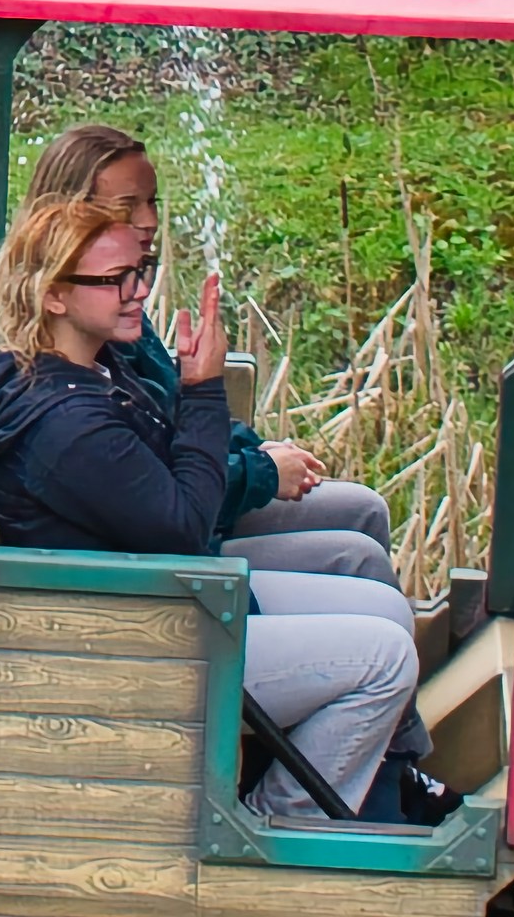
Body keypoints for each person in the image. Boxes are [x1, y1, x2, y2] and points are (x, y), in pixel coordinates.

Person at [0, 191, 436, 826]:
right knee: (386, 660)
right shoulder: (68, 429)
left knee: (384, 607)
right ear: (54, 296)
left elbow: (173, 486)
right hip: (140, 648)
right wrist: (201, 387)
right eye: (113, 281)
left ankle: (355, 787)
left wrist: (200, 399)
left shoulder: (89, 371)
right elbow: (187, 526)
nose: (135, 291)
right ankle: (277, 830)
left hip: (159, 605)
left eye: (138, 274)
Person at [25, 123, 402, 593]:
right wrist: (257, 473)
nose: (148, 222)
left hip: (188, 513)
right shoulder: (71, 362)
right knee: (358, 563)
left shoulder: (109, 319)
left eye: (152, 203)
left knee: (364, 510)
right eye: (127, 206)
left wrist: (248, 450)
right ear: (72, 216)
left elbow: (165, 417)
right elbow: (161, 499)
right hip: (169, 560)